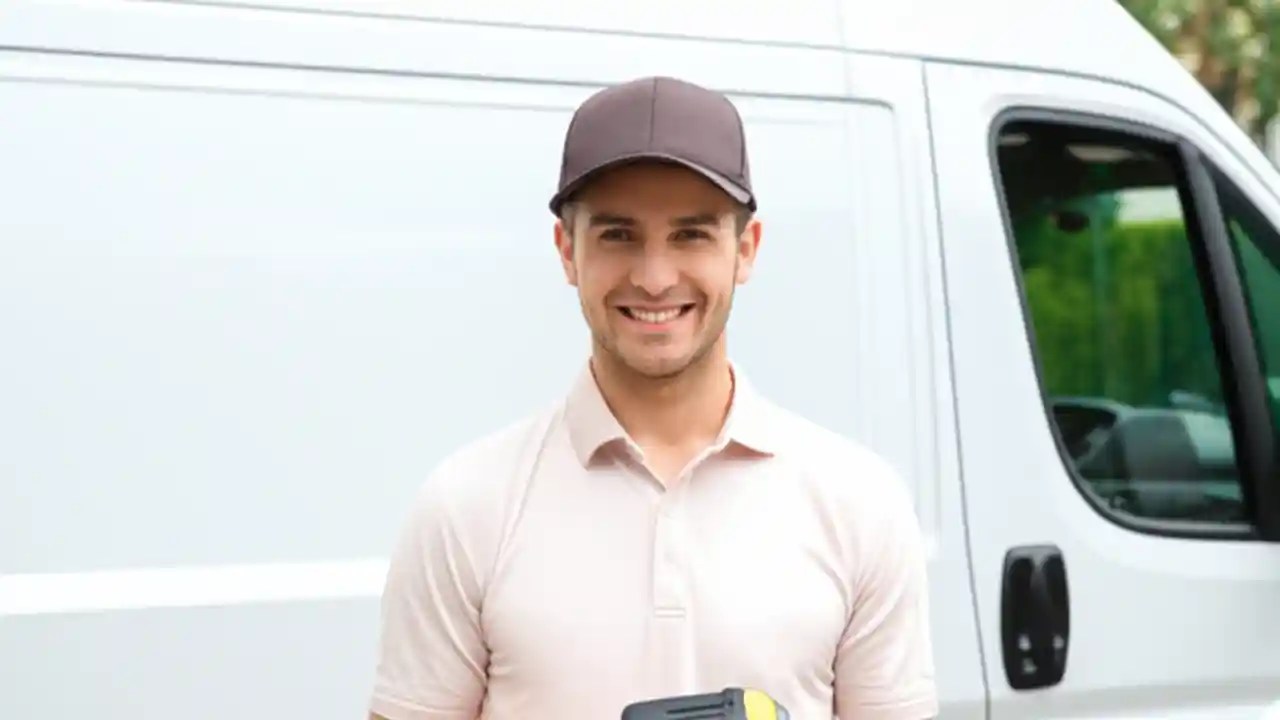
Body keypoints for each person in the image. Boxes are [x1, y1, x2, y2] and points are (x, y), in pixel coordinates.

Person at [367, 76, 938, 720]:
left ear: (745, 250)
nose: (655, 277)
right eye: (618, 236)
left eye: (691, 235)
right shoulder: (467, 507)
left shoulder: (859, 505)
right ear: (567, 251)